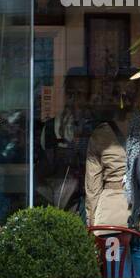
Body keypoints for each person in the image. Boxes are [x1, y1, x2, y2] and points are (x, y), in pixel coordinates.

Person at [85, 71, 140, 277]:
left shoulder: (100, 134)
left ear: (113, 98)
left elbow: (92, 188)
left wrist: (92, 224)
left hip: (111, 218)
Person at [37, 68, 93, 213]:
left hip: (88, 203)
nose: (74, 100)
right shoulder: (50, 129)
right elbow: (42, 176)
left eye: (80, 94)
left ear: (88, 97)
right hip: (58, 203)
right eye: (70, 94)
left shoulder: (96, 128)